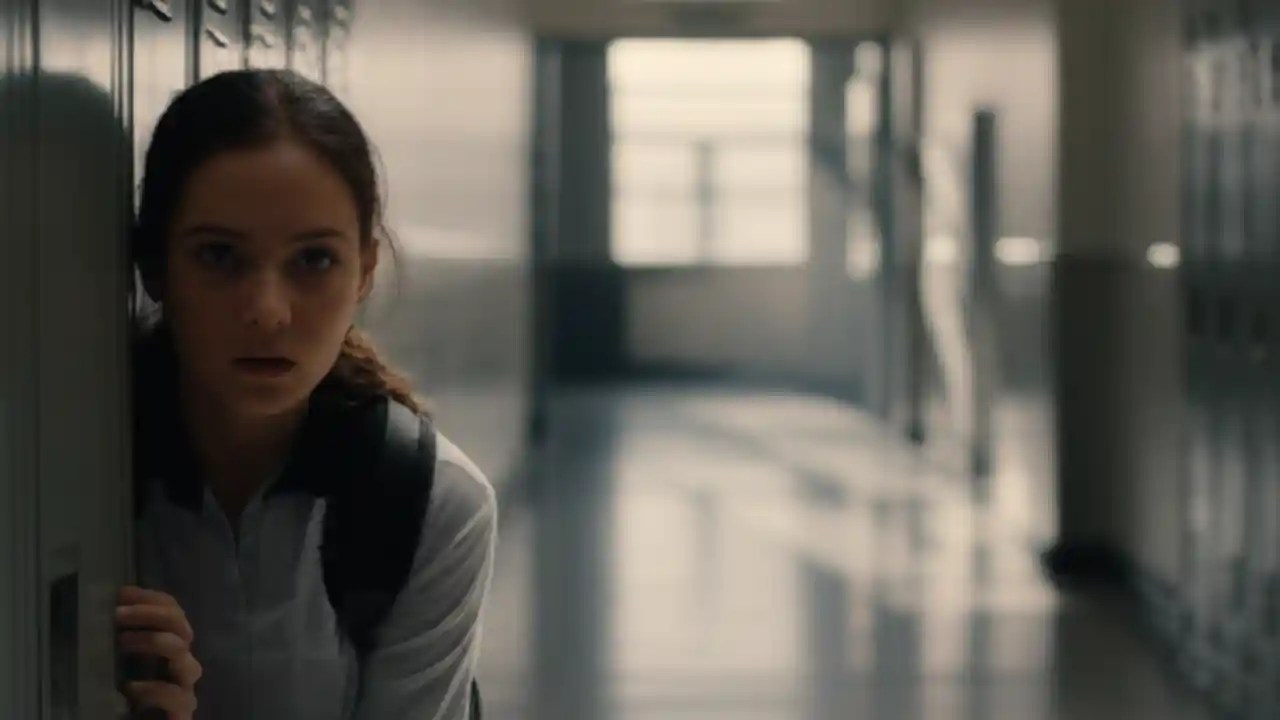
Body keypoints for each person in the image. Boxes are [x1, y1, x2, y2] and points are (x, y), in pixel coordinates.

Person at [117, 69, 497, 720]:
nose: (268, 312)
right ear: (154, 266)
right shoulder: (66, 480)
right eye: (219, 256)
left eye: (314, 260)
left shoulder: (430, 503)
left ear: (364, 272)